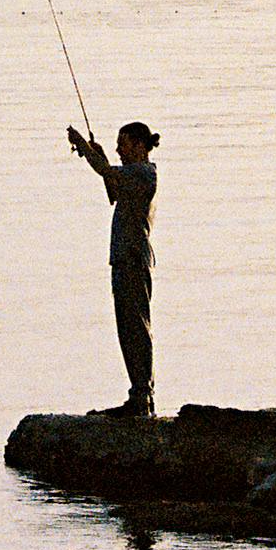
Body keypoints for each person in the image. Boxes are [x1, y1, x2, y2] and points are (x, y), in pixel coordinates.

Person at [68, 120, 160, 418]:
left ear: (138, 145)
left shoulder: (145, 173)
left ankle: (142, 398)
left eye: (123, 144)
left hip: (133, 260)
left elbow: (109, 174)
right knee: (128, 329)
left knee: (135, 329)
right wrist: (100, 157)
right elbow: (113, 191)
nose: (119, 150)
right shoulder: (134, 176)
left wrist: (85, 148)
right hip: (125, 260)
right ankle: (139, 395)